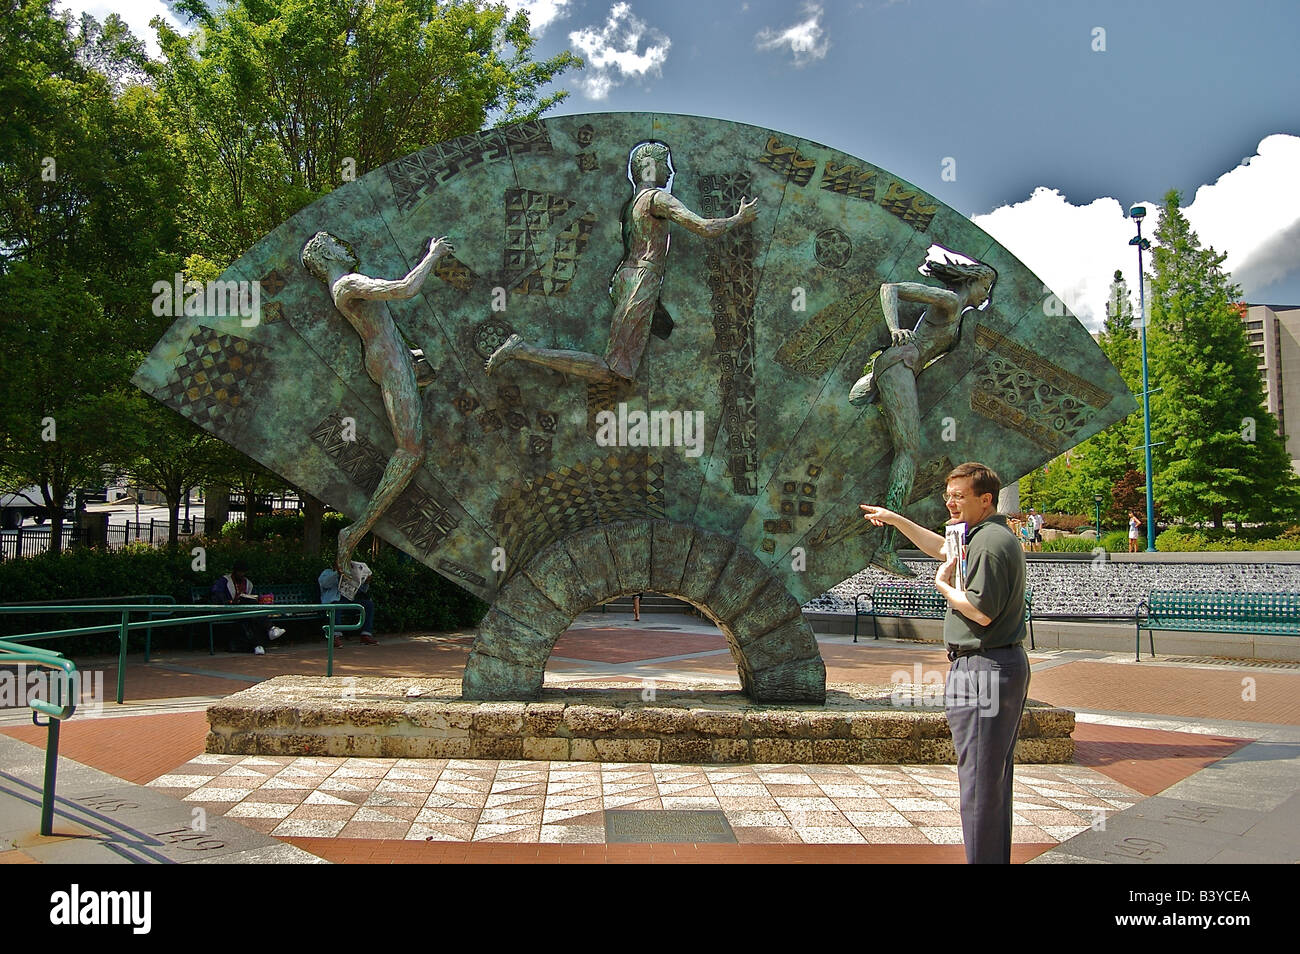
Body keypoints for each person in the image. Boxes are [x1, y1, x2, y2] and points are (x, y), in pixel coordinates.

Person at [861, 461, 1030, 864]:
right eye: (947, 496)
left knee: (978, 783)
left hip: (983, 668)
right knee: (990, 781)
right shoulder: (984, 534)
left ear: (985, 499)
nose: (950, 503)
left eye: (959, 496)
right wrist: (895, 519)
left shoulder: (988, 543)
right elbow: (942, 547)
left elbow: (980, 611)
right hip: (996, 665)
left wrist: (940, 586)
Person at [485, 140, 758, 384]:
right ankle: (523, 351)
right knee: (612, 371)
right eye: (666, 166)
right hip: (642, 281)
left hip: (627, 279)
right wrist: (738, 218)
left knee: (649, 341)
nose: (670, 173)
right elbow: (704, 228)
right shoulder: (658, 199)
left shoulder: (633, 203)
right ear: (649, 167)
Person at [301, 230, 452, 584]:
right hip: (392, 364)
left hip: (398, 359)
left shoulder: (341, 287)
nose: (345, 246)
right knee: (411, 452)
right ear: (326, 255)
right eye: (337, 244)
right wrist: (433, 254)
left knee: (435, 369)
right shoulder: (347, 284)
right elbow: (404, 289)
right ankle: (353, 533)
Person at [849, 253, 997, 576]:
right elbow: (890, 288)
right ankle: (885, 547)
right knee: (908, 454)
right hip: (901, 362)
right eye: (987, 285)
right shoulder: (949, 300)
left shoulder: (959, 314)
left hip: (901, 369)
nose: (988, 294)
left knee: (852, 410)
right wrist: (895, 328)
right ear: (972, 282)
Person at [211, 560, 285, 655]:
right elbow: (217, 595)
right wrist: (230, 601)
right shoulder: (224, 581)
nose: (242, 574)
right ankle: (270, 629)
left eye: (243, 572)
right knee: (252, 610)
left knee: (251, 615)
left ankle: (258, 645)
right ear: (235, 571)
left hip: (244, 610)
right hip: (229, 609)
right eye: (240, 572)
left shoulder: (248, 583)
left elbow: (251, 597)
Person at [318, 566, 377, 645]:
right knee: (336, 606)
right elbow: (325, 584)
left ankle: (366, 635)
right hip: (334, 601)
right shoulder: (327, 572)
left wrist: (366, 582)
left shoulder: (350, 573)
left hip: (348, 600)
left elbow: (361, 590)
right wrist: (337, 573)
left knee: (368, 604)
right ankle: (335, 636)